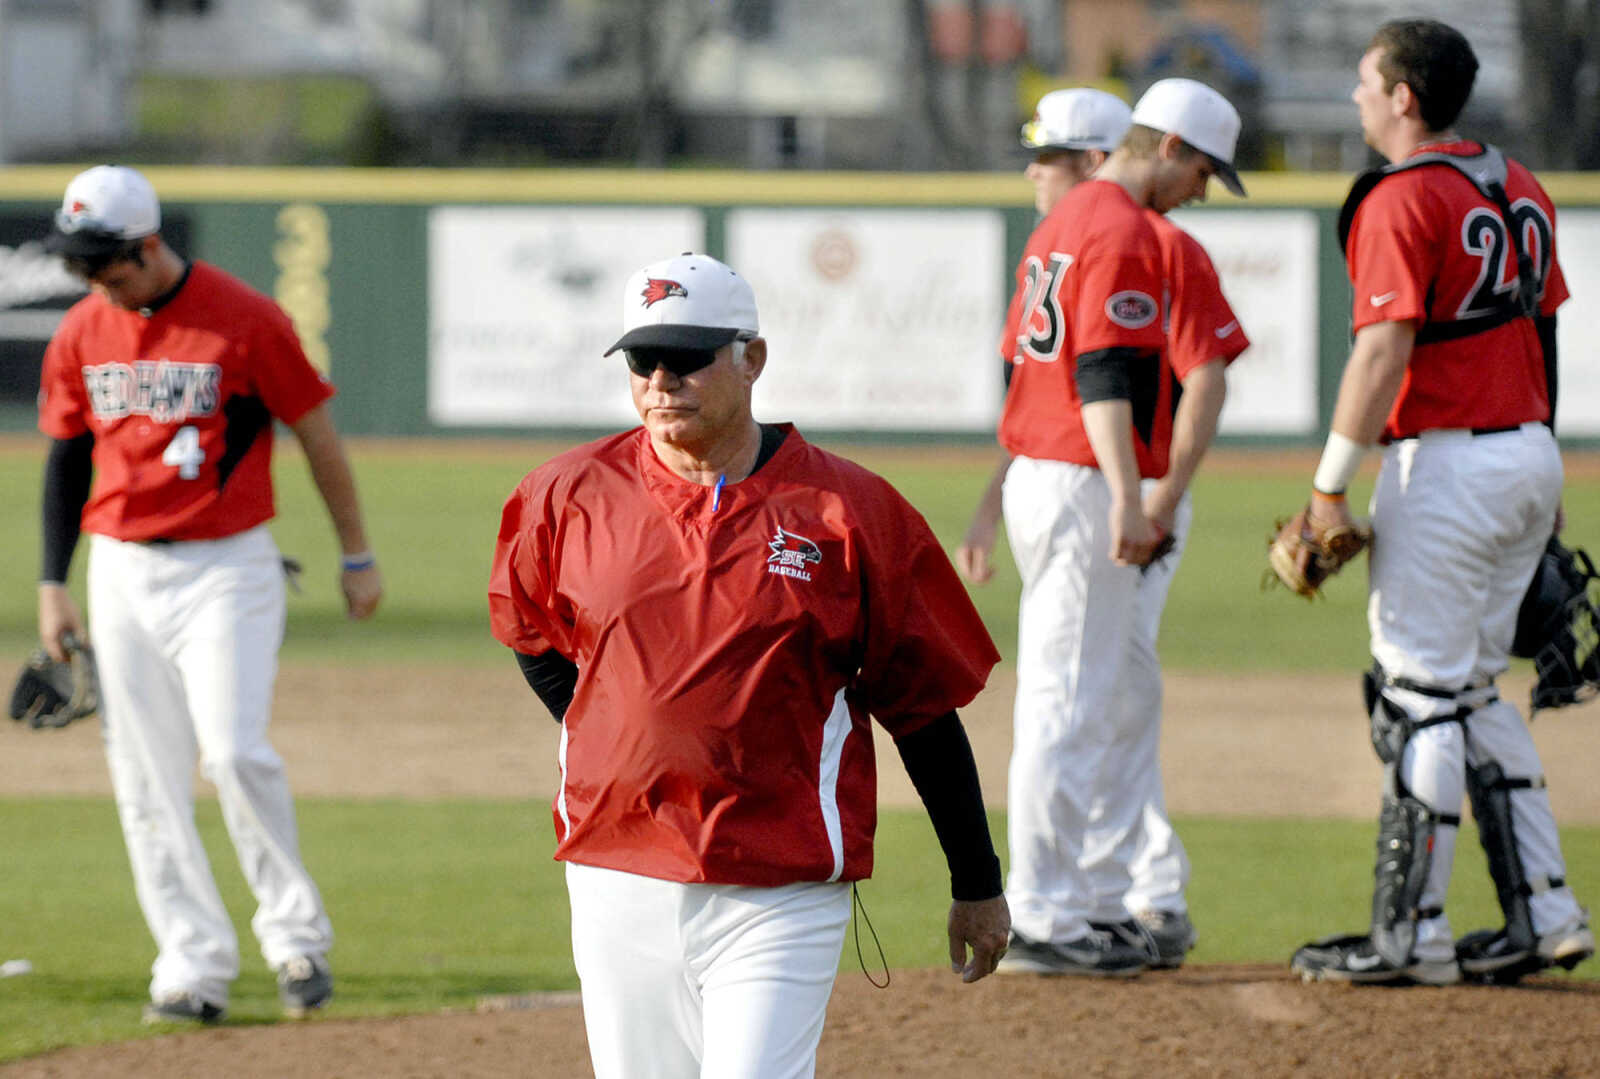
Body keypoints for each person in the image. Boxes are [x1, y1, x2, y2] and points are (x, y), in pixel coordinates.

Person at [488, 252, 1010, 1078]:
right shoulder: (565, 494)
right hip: (618, 865)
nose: (663, 380)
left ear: (751, 359)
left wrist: (976, 877)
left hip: (783, 876)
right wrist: (612, 730)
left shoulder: (852, 512)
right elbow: (531, 634)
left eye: (689, 357)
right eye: (642, 360)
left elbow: (922, 707)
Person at [35, 165, 384, 1023]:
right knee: (145, 777)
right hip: (120, 568)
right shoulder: (83, 329)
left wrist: (356, 554)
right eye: (80, 264)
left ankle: (296, 939)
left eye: (103, 262)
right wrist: (54, 581)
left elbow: (316, 433)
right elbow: (66, 458)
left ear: (149, 245)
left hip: (228, 564)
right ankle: (192, 966)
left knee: (231, 752)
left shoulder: (247, 319)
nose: (91, 279)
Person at [1288, 18, 1594, 986]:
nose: (1356, 97)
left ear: (1403, 97)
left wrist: (1326, 490)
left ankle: (1408, 932)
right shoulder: (1517, 183)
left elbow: (1381, 353)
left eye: (1364, 81)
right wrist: (1545, 479)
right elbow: (1541, 331)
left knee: (1414, 692)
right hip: (1528, 451)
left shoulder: (1401, 197)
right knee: (1468, 687)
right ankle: (1544, 912)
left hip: (1451, 460)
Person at [966, 80, 1248, 977]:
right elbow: (1102, 373)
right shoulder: (1122, 226)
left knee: (1096, 693)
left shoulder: (1063, 219)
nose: (1203, 189)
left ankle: (1086, 900)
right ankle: (1046, 910)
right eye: (1202, 167)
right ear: (1167, 145)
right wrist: (1132, 495)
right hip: (1083, 480)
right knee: (1068, 700)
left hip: (1050, 477)